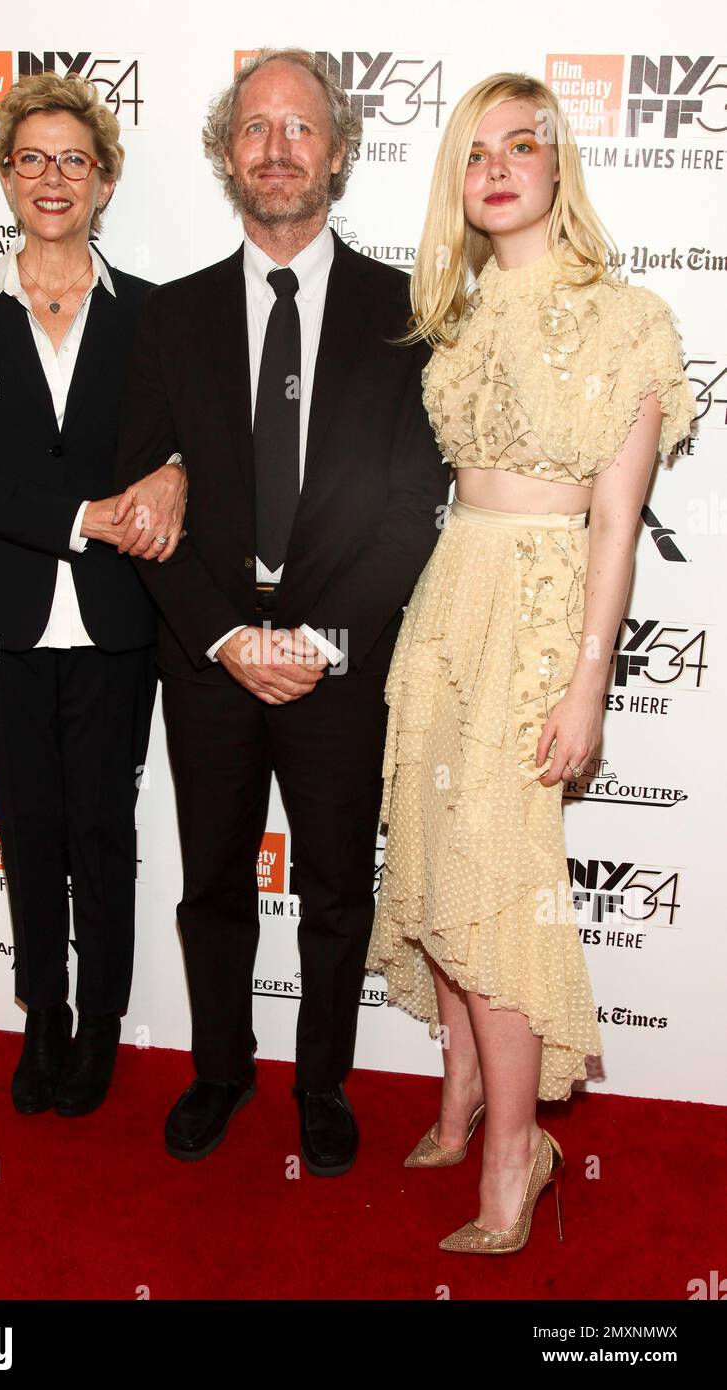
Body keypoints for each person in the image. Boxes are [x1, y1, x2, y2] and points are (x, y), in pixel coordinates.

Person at [367, 72, 697, 1250]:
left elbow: (614, 522)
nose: (499, 165)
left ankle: (519, 1150)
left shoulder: (627, 321)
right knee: (437, 867)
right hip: (449, 603)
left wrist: (586, 680)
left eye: (523, 144)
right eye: (475, 151)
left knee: (499, 889)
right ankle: (461, 1090)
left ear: (560, 167)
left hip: (543, 615)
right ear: (456, 180)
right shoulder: (452, 318)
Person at [114, 48, 446, 1175]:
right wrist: (223, 635)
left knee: (337, 890)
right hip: (205, 657)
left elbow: (412, 507)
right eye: (253, 129)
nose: (274, 148)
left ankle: (321, 1083)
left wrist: (316, 639)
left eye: (297, 128)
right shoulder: (167, 319)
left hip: (335, 660)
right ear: (223, 155)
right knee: (212, 882)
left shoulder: (405, 314)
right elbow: (139, 503)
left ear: (338, 152)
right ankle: (219, 1070)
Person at [0, 72, 187, 1117]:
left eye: (75, 158)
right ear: (3, 172)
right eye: (31, 157)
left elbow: (186, 446)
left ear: (105, 179)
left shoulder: (152, 317)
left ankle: (104, 1024)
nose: (52, 177)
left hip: (121, 616)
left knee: (101, 829)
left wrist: (174, 475)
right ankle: (43, 1013)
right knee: (28, 820)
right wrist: (82, 517)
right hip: (0, 613)